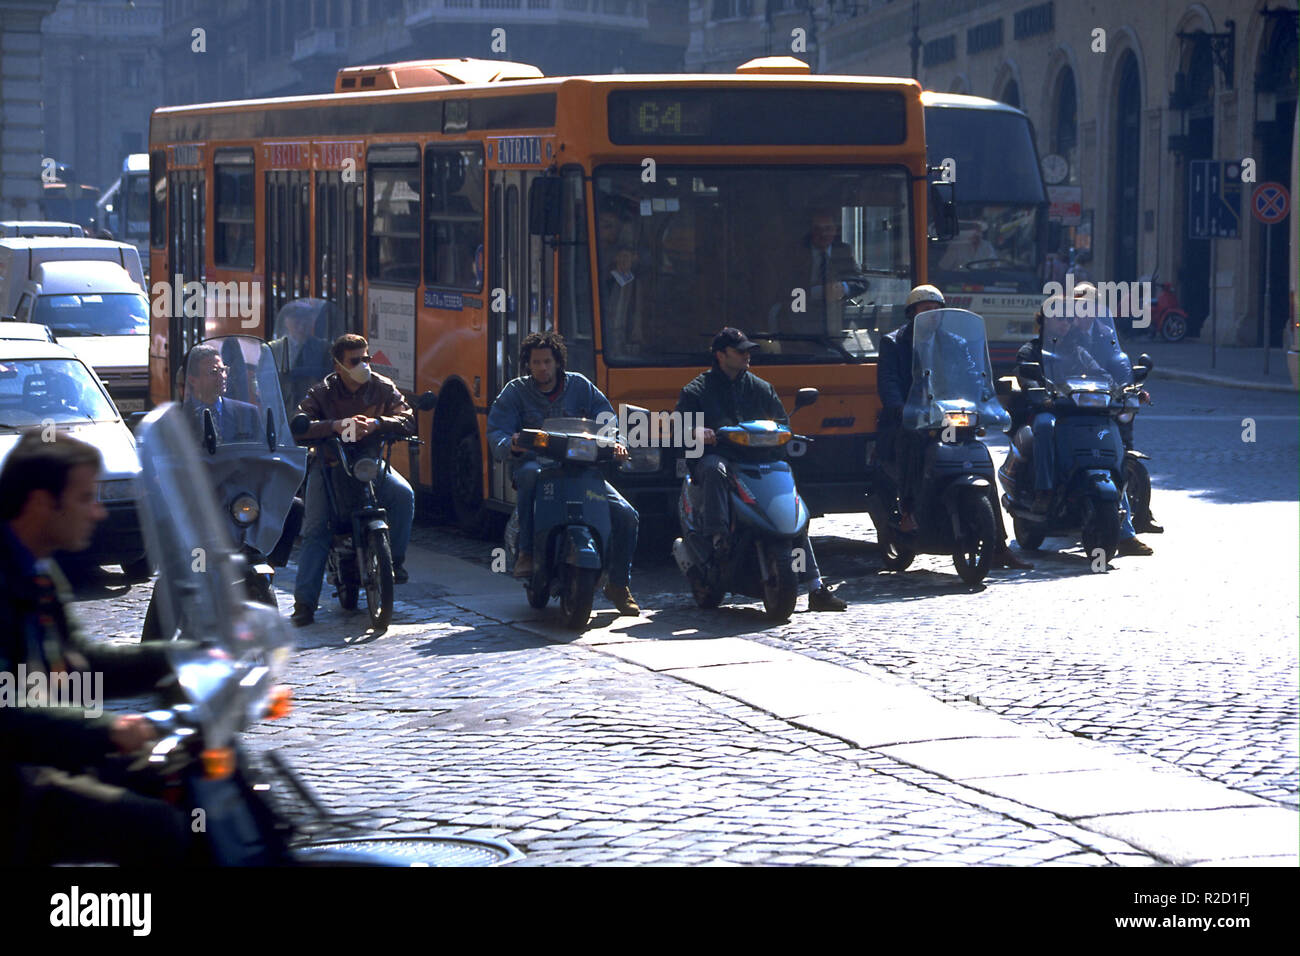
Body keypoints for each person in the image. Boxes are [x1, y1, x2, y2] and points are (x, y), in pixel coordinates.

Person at [0, 431, 195, 865]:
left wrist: (184, 656)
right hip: (14, 778)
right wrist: (107, 729)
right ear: (40, 502)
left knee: (184, 776)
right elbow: (6, 710)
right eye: (86, 497)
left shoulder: (38, 568)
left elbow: (79, 664)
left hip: (39, 752)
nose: (99, 512)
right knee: (152, 825)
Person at [675, 327, 848, 611]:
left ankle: (816, 586)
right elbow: (682, 428)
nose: (747, 355)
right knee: (715, 469)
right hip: (721, 457)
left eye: (748, 351)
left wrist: (783, 433)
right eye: (740, 351)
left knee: (791, 509)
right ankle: (718, 538)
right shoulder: (697, 390)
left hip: (759, 461)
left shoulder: (761, 387)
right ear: (721, 355)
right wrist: (697, 432)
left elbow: (781, 421)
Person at [878, 285, 1033, 570]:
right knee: (914, 446)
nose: (932, 315)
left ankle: (998, 546)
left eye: (937, 310)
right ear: (913, 313)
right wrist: (900, 408)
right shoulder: (894, 342)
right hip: (913, 418)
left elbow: (974, 377)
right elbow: (888, 382)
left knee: (981, 460)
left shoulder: (956, 343)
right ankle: (909, 511)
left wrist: (986, 399)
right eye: (926, 310)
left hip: (950, 414)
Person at [486, 331, 641, 616]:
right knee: (529, 476)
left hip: (582, 469)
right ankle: (527, 552)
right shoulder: (514, 392)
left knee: (627, 515)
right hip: (537, 465)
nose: (543, 368)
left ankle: (618, 584)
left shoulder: (581, 386)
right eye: (536, 362)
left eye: (547, 361)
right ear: (527, 365)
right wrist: (511, 443)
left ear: (558, 362)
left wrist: (617, 442)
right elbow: (497, 432)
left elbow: (607, 418)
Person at [291, 334, 416, 625]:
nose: (364, 365)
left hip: (369, 464)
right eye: (355, 361)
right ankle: (304, 603)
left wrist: (376, 423)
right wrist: (333, 426)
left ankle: (393, 563)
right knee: (316, 528)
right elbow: (299, 423)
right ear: (339, 366)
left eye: (367, 358)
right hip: (330, 465)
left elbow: (407, 417)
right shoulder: (322, 392)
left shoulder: (382, 387)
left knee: (403, 494)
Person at [182, 343, 262, 442]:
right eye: (214, 372)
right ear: (192, 380)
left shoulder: (248, 413)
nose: (223, 377)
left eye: (223, 370)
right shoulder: (177, 418)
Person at [269, 306, 333, 413]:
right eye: (296, 321)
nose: (301, 326)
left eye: (306, 321)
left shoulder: (325, 348)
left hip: (314, 406)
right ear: (286, 322)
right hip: (283, 407)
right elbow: (263, 380)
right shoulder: (273, 349)